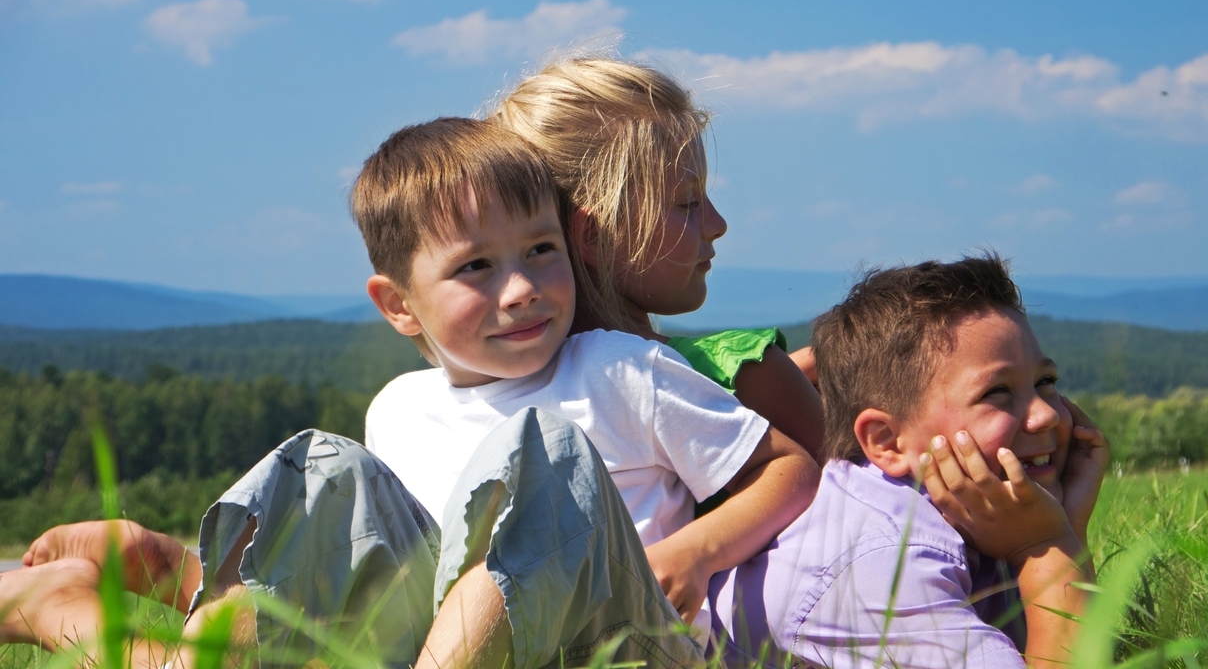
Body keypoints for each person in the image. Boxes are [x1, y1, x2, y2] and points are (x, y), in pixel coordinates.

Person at [5, 117, 820, 669]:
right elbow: (392, 577)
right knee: (317, 466)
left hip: (619, 642)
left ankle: (94, 600)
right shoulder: (400, 407)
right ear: (399, 305)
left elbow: (787, 463)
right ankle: (143, 640)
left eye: (540, 251)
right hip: (438, 648)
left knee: (544, 450)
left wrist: (696, 551)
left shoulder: (615, 368)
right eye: (476, 267)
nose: (522, 289)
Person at [708, 254, 1110, 669]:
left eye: (1045, 382)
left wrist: (1064, 529)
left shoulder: (982, 513)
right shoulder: (884, 566)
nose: (1046, 415)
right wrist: (1048, 549)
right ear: (887, 442)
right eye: (998, 392)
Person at [489, 56, 825, 460]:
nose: (717, 224)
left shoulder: (496, 401)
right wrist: (774, 379)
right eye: (688, 202)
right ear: (595, 236)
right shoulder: (747, 373)